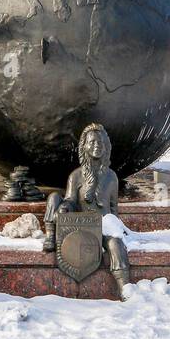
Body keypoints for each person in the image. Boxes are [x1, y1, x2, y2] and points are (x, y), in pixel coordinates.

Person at [43, 121, 130, 294]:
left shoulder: (112, 177)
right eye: (92, 142)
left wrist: (116, 228)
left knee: (115, 245)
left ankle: (125, 288)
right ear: (85, 147)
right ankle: (50, 236)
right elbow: (70, 200)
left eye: (101, 143)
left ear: (106, 147)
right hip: (81, 223)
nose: (97, 146)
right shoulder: (76, 176)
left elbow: (113, 209)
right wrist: (65, 207)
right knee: (53, 197)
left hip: (103, 225)